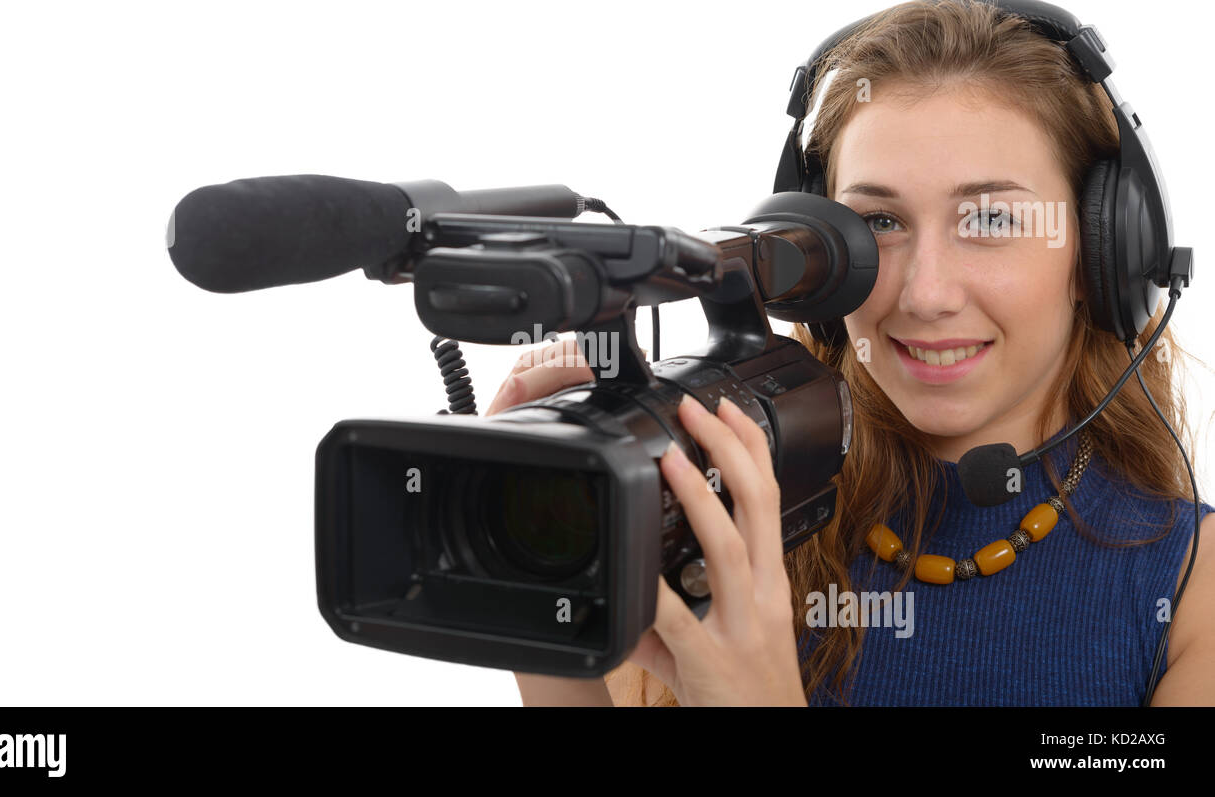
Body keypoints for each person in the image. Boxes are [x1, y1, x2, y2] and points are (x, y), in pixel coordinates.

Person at [502, 0, 1215, 706]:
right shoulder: (709, 504)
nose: (925, 293)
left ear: (1101, 255)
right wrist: (536, 551)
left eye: (991, 218)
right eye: (878, 221)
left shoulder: (1193, 588)